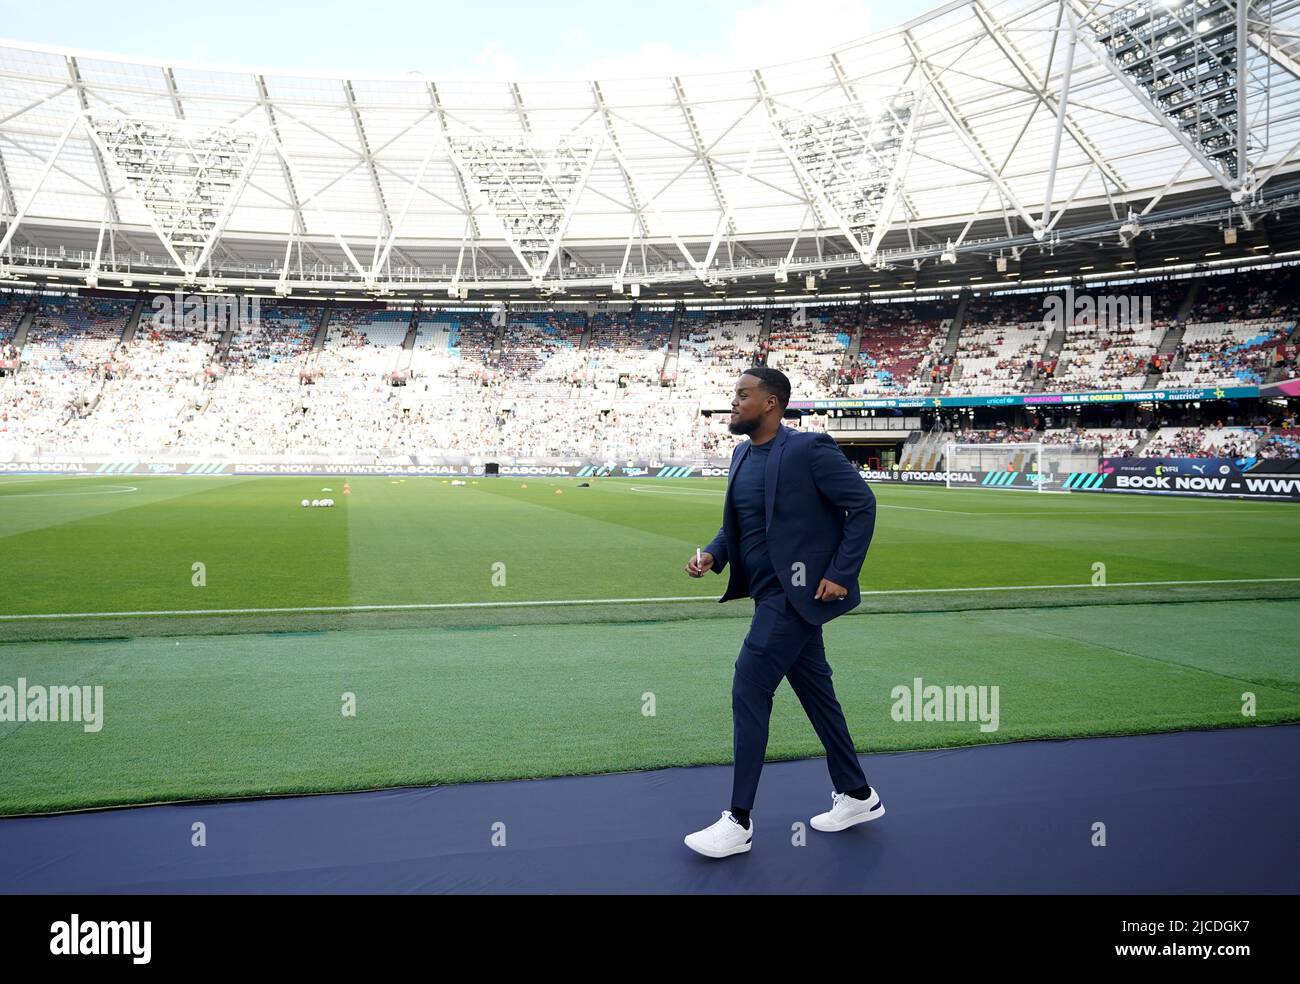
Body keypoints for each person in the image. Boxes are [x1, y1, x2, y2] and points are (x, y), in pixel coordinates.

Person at [682, 366, 881, 859]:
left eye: (742, 395)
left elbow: (863, 503)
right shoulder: (740, 453)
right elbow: (740, 524)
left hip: (795, 596)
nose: (733, 402)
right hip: (769, 594)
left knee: (749, 685)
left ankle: (739, 821)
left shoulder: (809, 449)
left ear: (770, 403)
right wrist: (713, 553)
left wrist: (842, 572)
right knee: (817, 693)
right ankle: (857, 794)